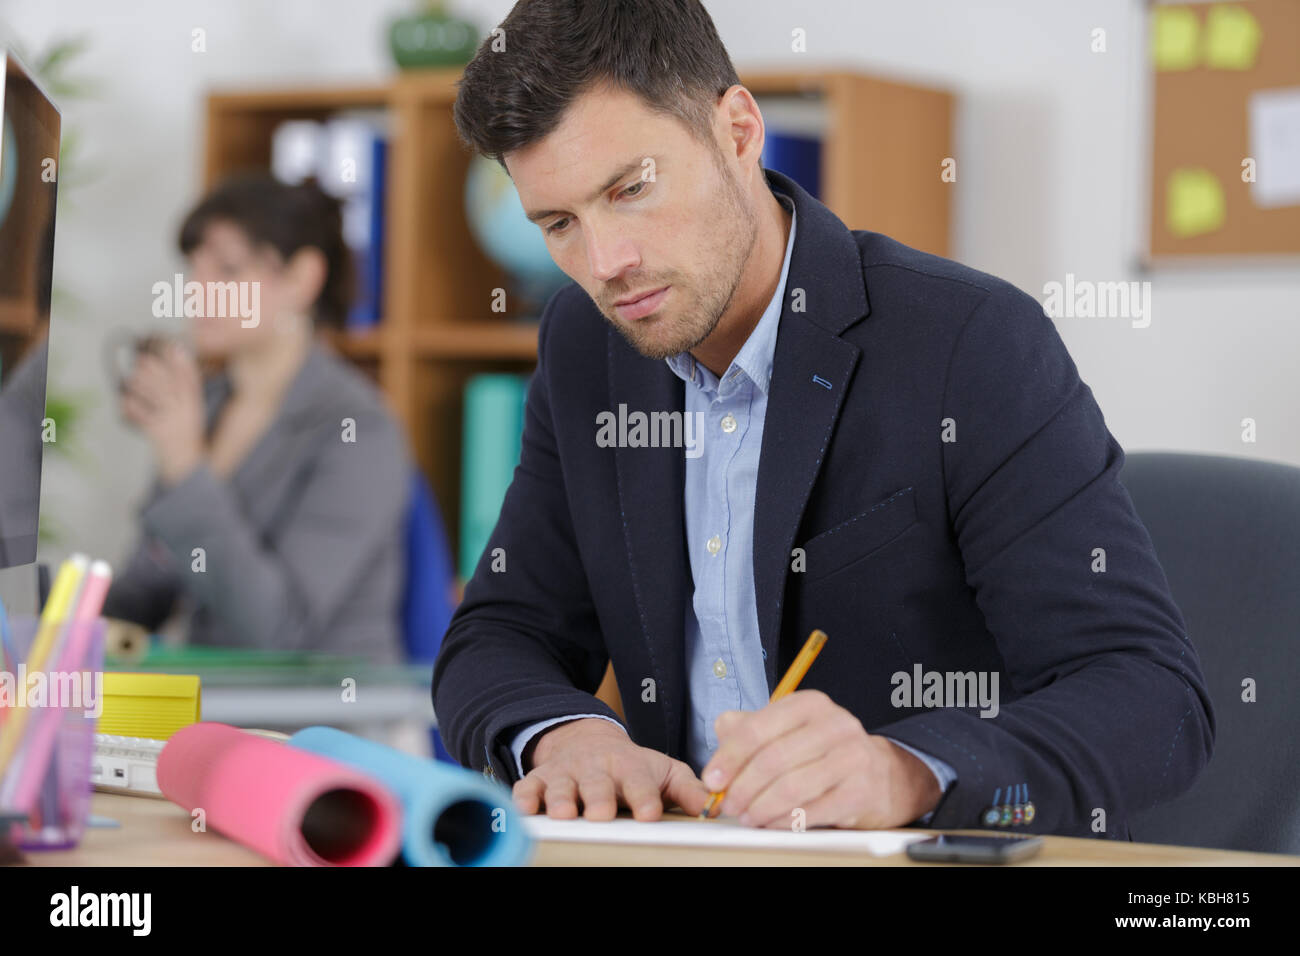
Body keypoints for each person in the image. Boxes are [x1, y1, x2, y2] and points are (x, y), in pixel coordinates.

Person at [433, 0, 1214, 836]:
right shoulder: (590, 347)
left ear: (736, 130)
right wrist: (566, 735)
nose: (605, 264)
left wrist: (910, 773)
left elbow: (1152, 696)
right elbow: (503, 632)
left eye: (631, 189)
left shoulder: (970, 343)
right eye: (559, 223)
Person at [102, 173, 411, 664]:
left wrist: (184, 464)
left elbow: (277, 630)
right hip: (217, 707)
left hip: (320, 723)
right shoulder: (204, 405)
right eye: (193, 270)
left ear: (302, 278)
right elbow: (147, 591)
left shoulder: (358, 428)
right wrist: (63, 620)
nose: (198, 292)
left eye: (227, 271)